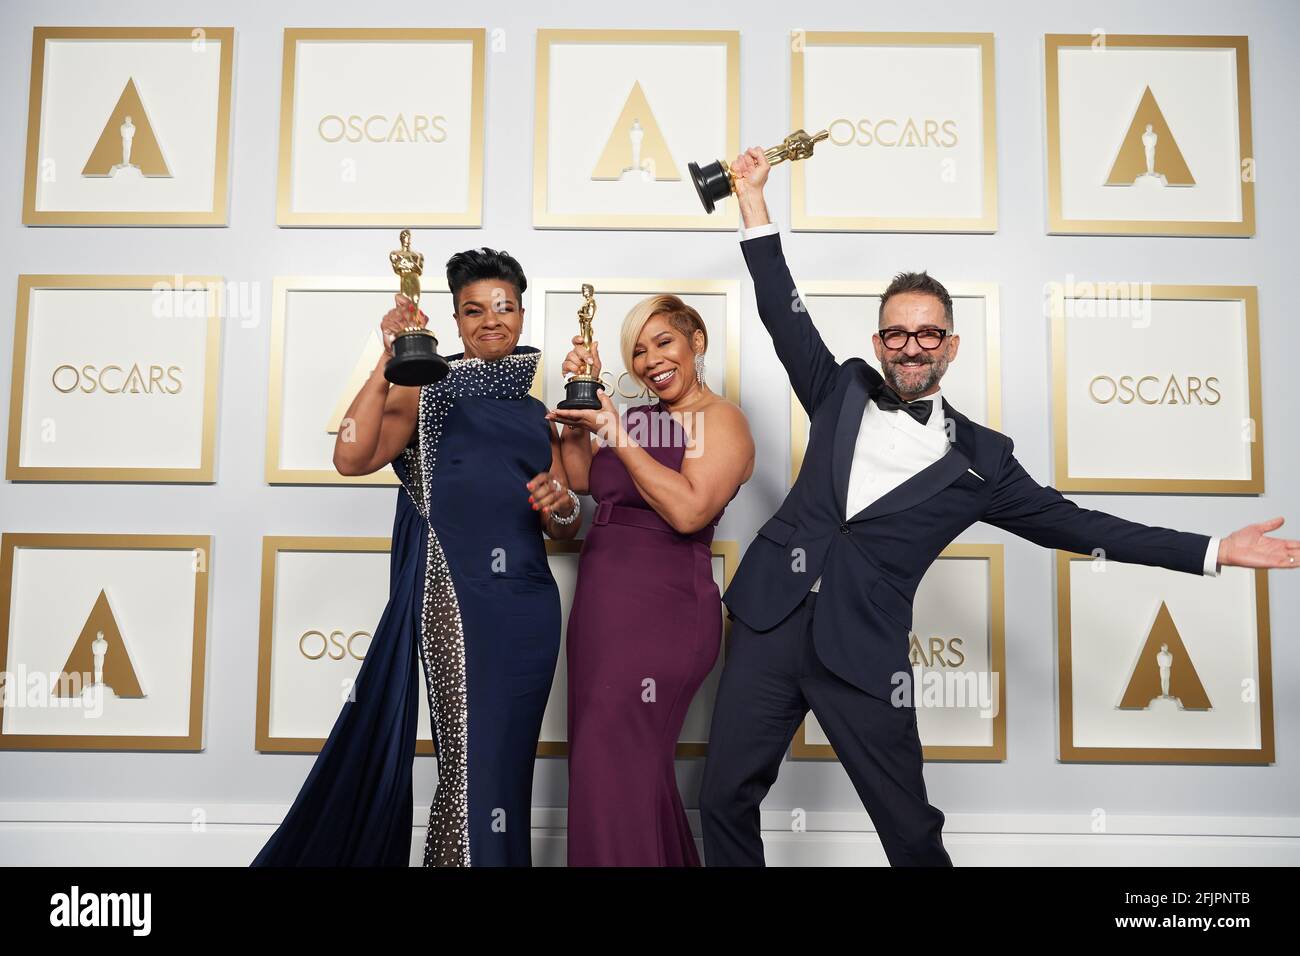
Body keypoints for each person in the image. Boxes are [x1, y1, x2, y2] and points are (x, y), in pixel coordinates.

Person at [699, 147, 1300, 867]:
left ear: (950, 344)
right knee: (724, 797)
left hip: (862, 647)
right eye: (897, 332)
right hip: (770, 617)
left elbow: (1081, 526)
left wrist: (1213, 550)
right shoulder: (843, 388)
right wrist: (755, 200)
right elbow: (780, 310)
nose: (911, 346)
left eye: (928, 333)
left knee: (908, 825)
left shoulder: (983, 461)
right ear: (878, 342)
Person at [252, 248, 581, 867]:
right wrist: (389, 360)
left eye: (505, 307)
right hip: (455, 597)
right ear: (454, 321)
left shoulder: (539, 413)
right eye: (474, 310)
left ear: (522, 314)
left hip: (530, 605)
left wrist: (560, 504)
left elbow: (563, 526)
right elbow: (351, 457)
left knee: (507, 768)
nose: (492, 321)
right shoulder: (424, 393)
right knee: (466, 765)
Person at [547, 294, 754, 866]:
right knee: (608, 765)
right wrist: (579, 411)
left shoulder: (722, 420)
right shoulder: (637, 418)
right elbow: (585, 479)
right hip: (602, 602)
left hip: (663, 609)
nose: (649, 361)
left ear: (697, 341)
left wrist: (613, 427)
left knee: (618, 766)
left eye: (663, 342)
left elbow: (688, 511)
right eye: (637, 352)